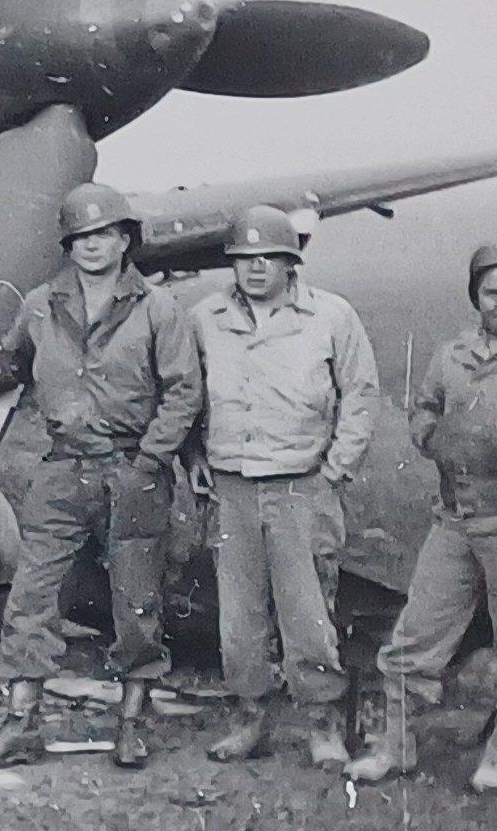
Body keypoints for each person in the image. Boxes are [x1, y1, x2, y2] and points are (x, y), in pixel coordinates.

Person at [0, 182, 202, 769]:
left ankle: (131, 724)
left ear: (125, 240)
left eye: (105, 234)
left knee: (137, 603)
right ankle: (22, 724)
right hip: (63, 471)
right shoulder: (42, 304)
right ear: (67, 244)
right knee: (30, 598)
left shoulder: (158, 309)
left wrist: (151, 460)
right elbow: (10, 365)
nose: (93, 246)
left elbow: (183, 392)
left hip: (133, 472)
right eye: (82, 237)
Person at [345, 237, 497, 792]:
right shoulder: (453, 354)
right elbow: (423, 408)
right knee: (413, 637)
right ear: (476, 298)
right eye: (490, 292)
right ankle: (396, 745)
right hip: (455, 521)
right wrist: (430, 436)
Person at [184, 204, 379, 768]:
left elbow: (361, 396)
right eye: (245, 259)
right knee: (238, 615)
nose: (256, 269)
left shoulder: (331, 316)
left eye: (269, 258)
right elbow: (185, 395)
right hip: (231, 485)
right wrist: (194, 455)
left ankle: (323, 724)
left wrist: (335, 471)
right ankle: (249, 718)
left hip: (302, 484)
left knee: (308, 611)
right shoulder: (206, 318)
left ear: (292, 263)